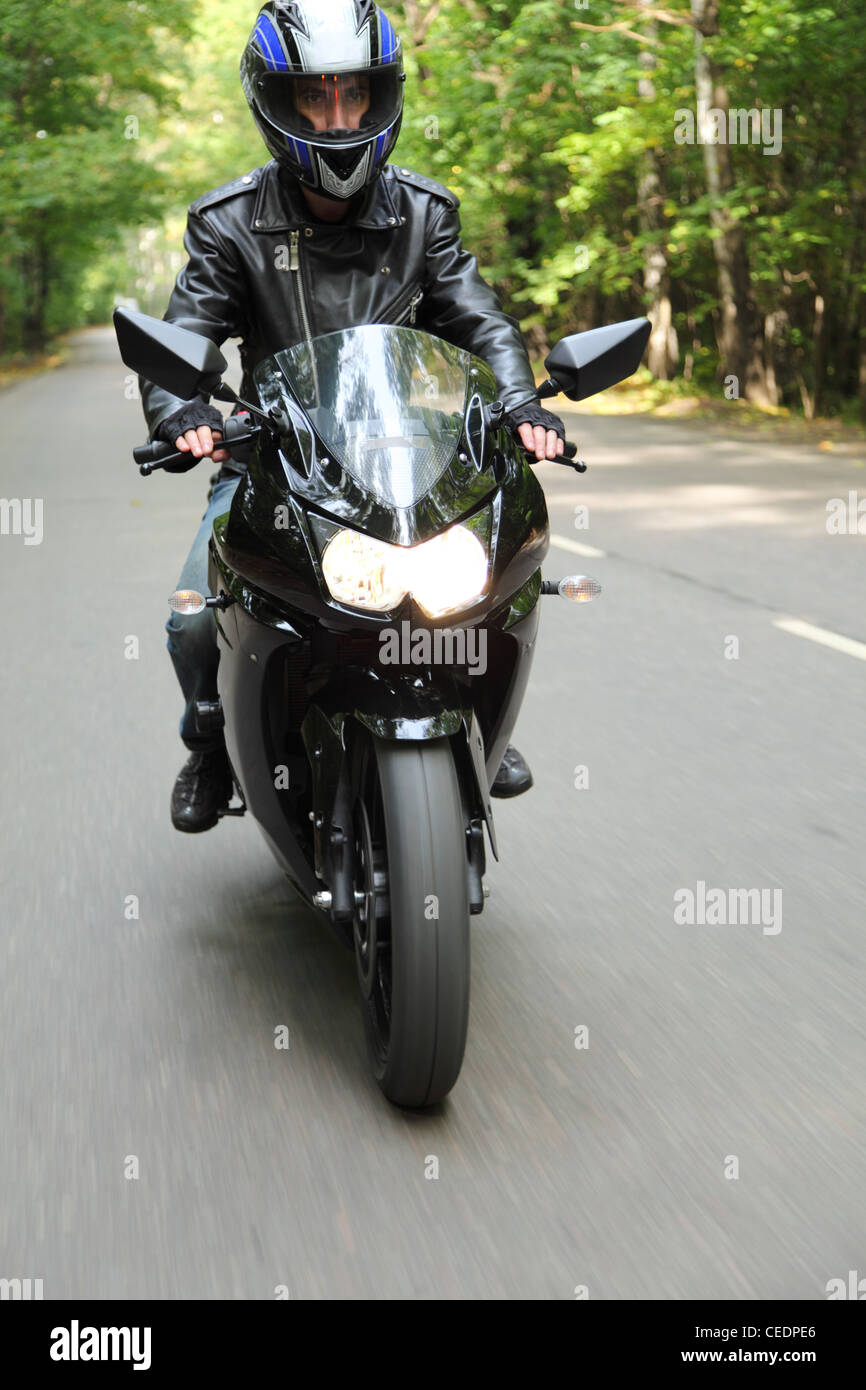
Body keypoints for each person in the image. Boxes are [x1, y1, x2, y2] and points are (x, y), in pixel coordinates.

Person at [139, 0, 568, 833]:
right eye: (315, 97)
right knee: (192, 613)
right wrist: (182, 409)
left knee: (496, 584)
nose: (338, 118)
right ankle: (210, 739)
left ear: (383, 98)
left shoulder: (423, 214)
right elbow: (184, 336)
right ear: (277, 101)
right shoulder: (230, 224)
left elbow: (479, 323)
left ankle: (480, 721)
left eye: (355, 96)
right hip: (276, 463)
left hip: (414, 458)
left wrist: (519, 403)